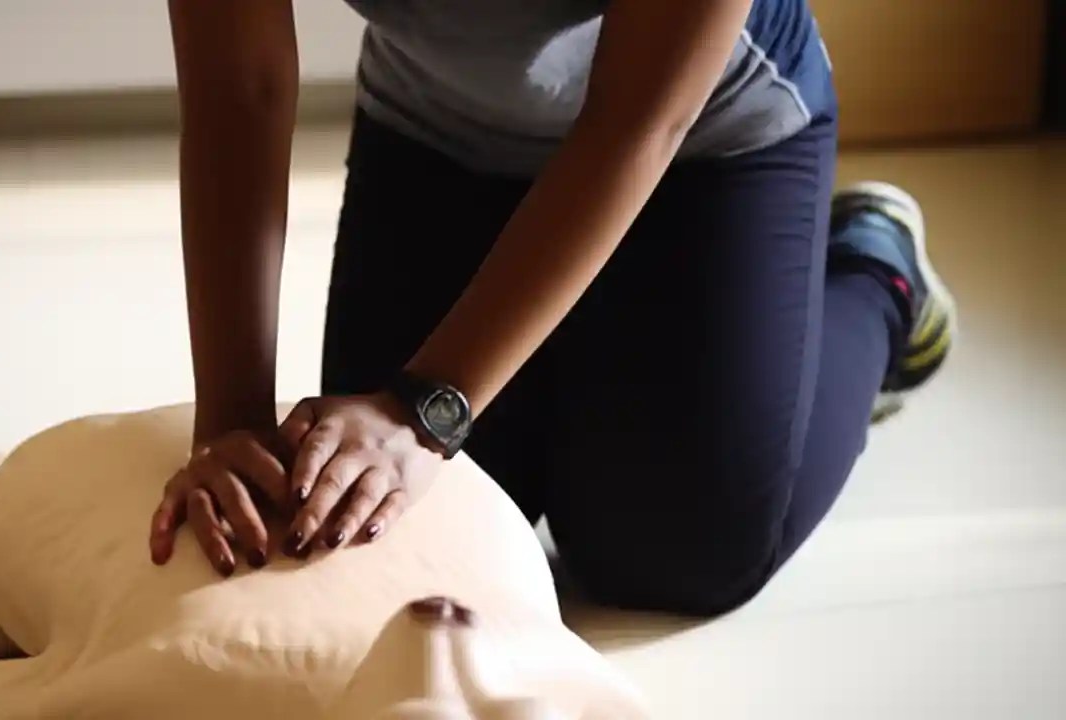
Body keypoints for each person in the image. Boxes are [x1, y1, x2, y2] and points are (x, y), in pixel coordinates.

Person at [148, 0, 957, 615]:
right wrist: (230, 421)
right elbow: (239, 89)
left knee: (676, 554)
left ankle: (876, 271)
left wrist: (428, 410)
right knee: (383, 538)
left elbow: (638, 119)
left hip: (702, 138)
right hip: (439, 130)